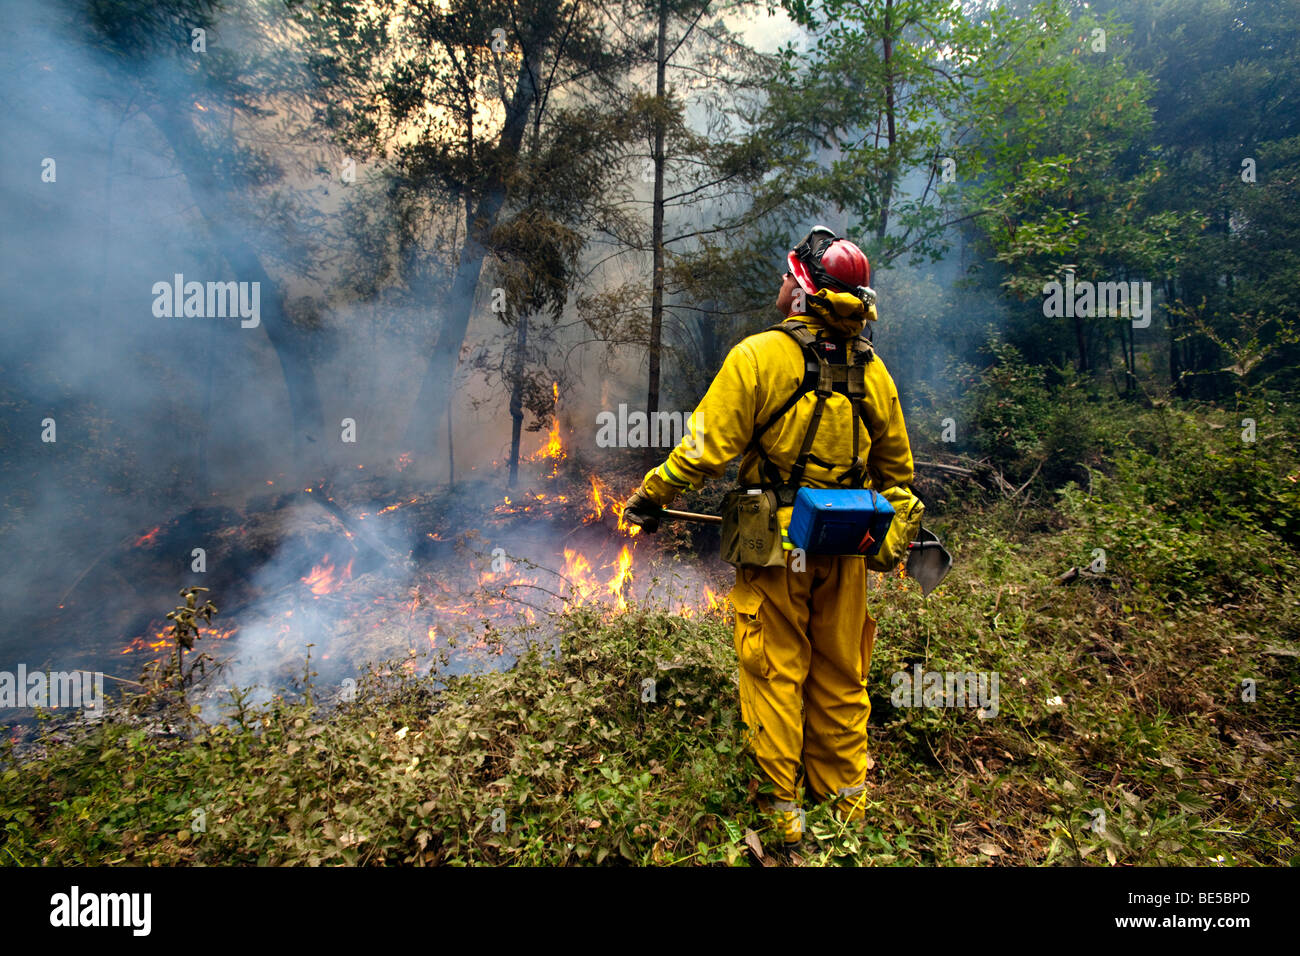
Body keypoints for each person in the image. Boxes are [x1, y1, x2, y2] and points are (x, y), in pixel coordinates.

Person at [623, 227, 918, 849]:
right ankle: (847, 815)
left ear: (803, 291)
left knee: (775, 671)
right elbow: (899, 477)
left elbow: (705, 449)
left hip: (776, 551)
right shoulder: (875, 371)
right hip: (850, 545)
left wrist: (652, 496)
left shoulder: (758, 356)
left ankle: (783, 818)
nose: (780, 285)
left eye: (788, 276)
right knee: (842, 672)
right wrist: (893, 536)